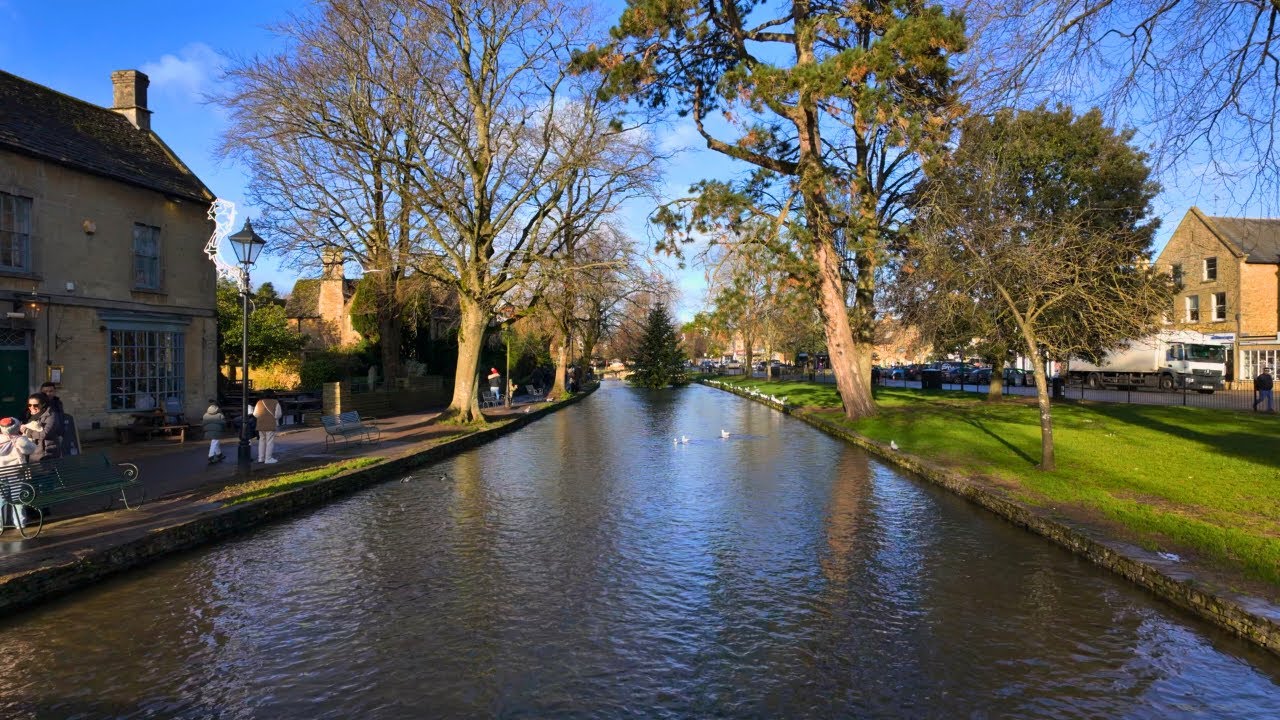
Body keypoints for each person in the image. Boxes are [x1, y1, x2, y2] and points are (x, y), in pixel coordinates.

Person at [0, 416, 36, 530]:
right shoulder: (20, 440)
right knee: (17, 497)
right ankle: (19, 522)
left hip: (1, 473)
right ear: (16, 427)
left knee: (1, 498)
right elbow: (31, 449)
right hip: (16, 472)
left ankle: (1, 524)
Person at [22, 393, 62, 462]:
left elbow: (44, 434)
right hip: (31, 451)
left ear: (43, 404)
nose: (32, 407)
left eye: (35, 405)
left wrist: (26, 431)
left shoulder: (51, 415)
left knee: (46, 472)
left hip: (46, 453)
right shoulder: (28, 415)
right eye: (29, 405)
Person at [252, 390, 283, 464]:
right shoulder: (275, 402)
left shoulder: (259, 402)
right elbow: (278, 414)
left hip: (260, 424)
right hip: (271, 423)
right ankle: (268, 458)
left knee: (261, 441)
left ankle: (261, 458)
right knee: (269, 442)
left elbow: (255, 414)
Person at [202, 400, 227, 464]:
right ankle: (211, 456)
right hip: (217, 431)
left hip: (208, 431)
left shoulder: (205, 415)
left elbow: (203, 423)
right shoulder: (219, 415)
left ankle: (219, 454)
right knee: (214, 442)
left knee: (216, 442)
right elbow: (224, 422)